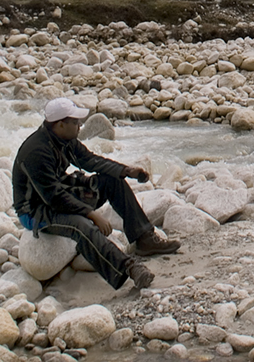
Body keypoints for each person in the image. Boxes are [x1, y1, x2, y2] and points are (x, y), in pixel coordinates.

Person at [12, 96, 180, 291]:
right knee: (81, 225)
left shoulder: (64, 140)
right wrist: (91, 214)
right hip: (35, 210)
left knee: (112, 181)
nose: (80, 126)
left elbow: (90, 160)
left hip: (60, 192)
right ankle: (128, 268)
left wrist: (126, 171)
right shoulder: (36, 152)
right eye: (75, 122)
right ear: (59, 125)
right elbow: (53, 197)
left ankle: (144, 238)